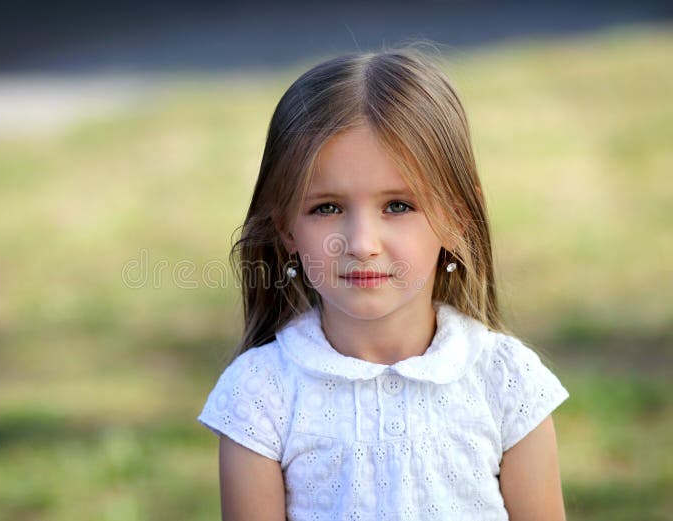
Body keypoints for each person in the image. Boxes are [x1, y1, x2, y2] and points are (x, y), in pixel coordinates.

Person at [197, 43, 569, 521]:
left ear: (457, 217)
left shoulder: (507, 382)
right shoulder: (260, 395)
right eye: (326, 208)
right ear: (286, 228)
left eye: (398, 206)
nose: (361, 243)